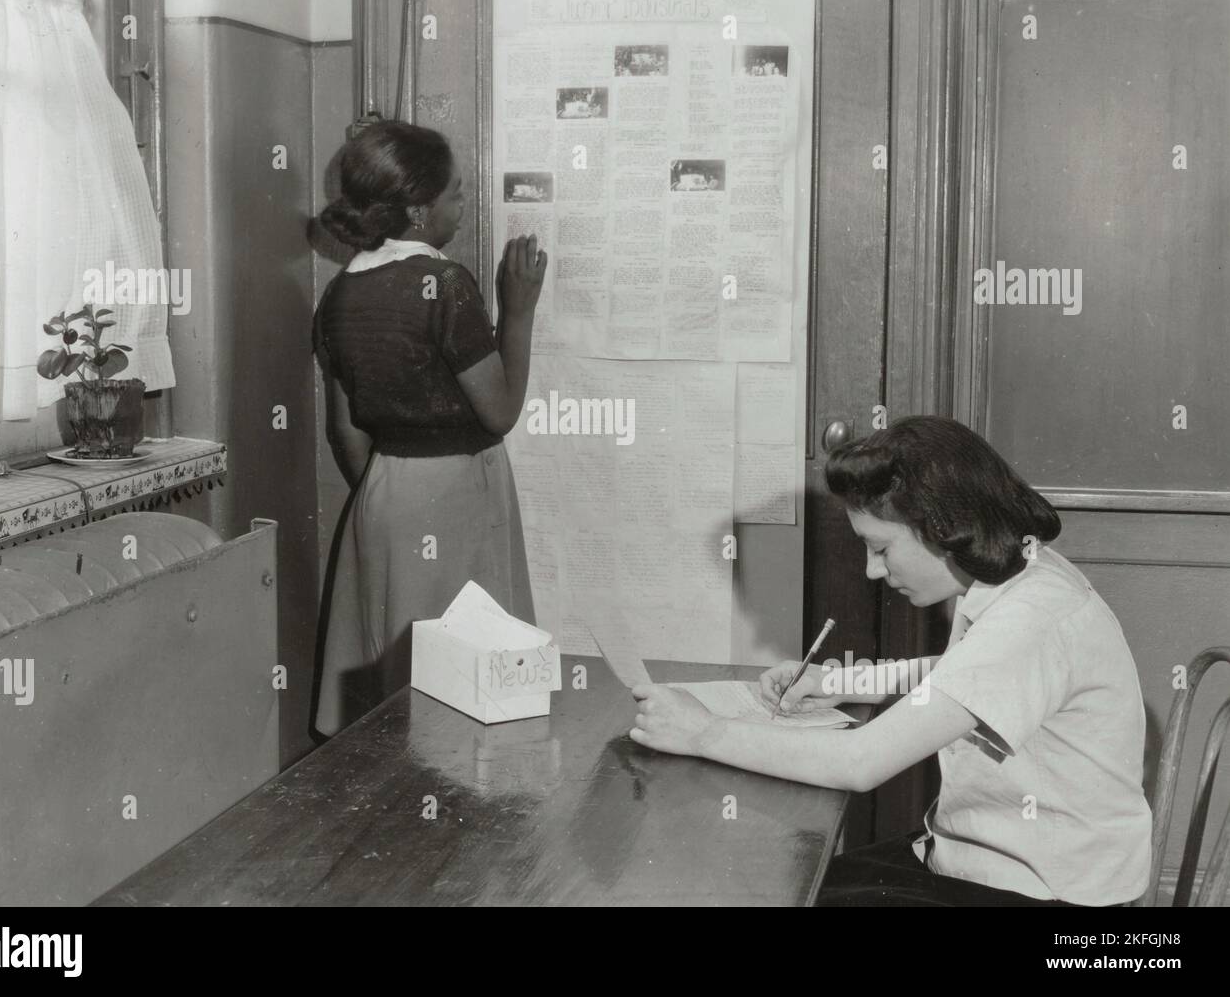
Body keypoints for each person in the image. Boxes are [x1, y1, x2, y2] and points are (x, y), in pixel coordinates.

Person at [630, 416, 1152, 906]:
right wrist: (838, 682)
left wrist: (702, 732)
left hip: (1046, 894)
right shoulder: (1019, 573)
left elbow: (860, 763)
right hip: (969, 858)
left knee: (775, 889)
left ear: (946, 527)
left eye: (880, 549)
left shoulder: (1032, 618)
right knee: (783, 884)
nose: (872, 571)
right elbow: (963, 679)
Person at [311, 120, 548, 737]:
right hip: (459, 494)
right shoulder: (446, 285)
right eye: (456, 193)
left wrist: (397, 483)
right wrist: (517, 313)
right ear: (418, 209)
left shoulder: (338, 295)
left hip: (385, 495)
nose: (464, 205)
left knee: (394, 671)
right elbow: (499, 412)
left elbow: (347, 434)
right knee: (470, 677)